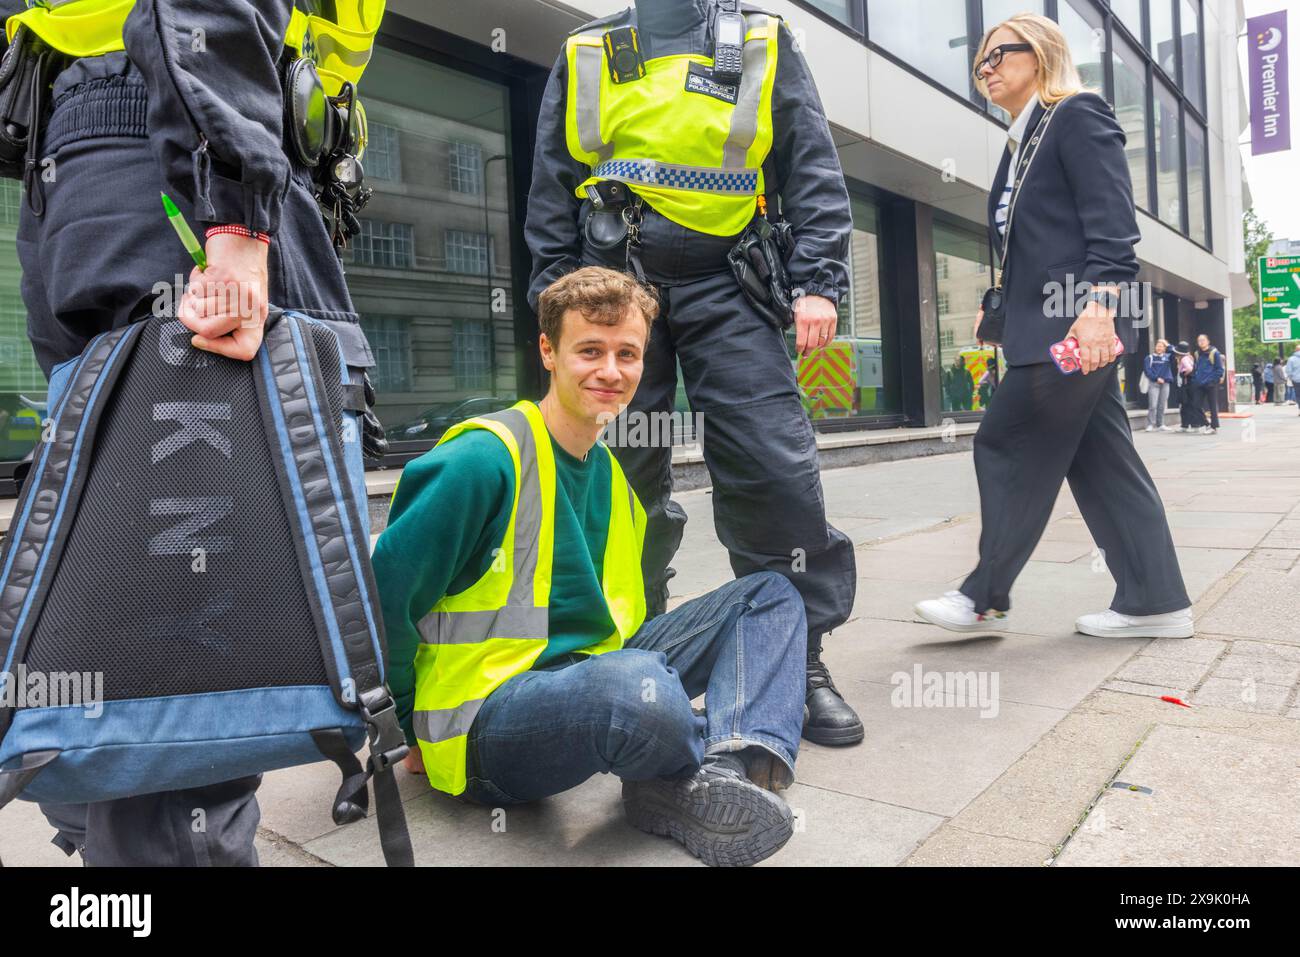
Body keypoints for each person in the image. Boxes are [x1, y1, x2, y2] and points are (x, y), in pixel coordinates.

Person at [9, 0, 380, 865]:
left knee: (144, 606)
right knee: (186, 633)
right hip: (177, 133)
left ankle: (112, 852)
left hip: (107, 147)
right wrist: (237, 211)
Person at [374, 267, 808, 867]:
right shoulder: (482, 460)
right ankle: (687, 761)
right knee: (633, 691)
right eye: (590, 351)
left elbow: (624, 620)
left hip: (595, 675)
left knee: (770, 595)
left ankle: (717, 769)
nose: (611, 371)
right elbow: (381, 600)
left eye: (627, 353)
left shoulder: (611, 478)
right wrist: (397, 729)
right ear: (548, 352)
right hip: (484, 719)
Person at [524, 0, 862, 745]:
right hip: (614, 285)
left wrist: (819, 283)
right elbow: (552, 184)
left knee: (774, 469)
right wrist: (553, 296)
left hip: (730, 284)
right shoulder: (587, 49)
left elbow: (811, 165)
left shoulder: (764, 39)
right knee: (616, 476)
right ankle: (631, 648)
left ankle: (796, 660)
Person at [913, 14, 1192, 640]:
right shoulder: (1023, 142)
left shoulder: (1078, 114)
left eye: (996, 57)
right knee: (1103, 464)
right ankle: (1156, 602)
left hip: (1070, 329)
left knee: (1006, 443)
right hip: (1043, 327)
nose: (984, 70)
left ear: (1038, 54)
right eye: (978, 63)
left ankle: (983, 596)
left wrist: (1098, 310)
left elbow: (1113, 226)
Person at [1190, 334, 1225, 433]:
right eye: (1199, 340)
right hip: (1199, 384)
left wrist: (1212, 381)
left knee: (1212, 406)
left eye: (1203, 340)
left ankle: (1214, 427)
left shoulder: (1214, 353)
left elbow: (1219, 369)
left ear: (1208, 341)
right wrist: (1195, 379)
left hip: (1210, 384)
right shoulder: (1197, 353)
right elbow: (1195, 368)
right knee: (1196, 405)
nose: (1201, 342)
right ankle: (1207, 424)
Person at [1143, 338, 1174, 431]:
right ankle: (1150, 424)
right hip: (1154, 383)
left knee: (1162, 404)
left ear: (1164, 348)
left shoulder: (1168, 357)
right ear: (1155, 347)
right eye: (1158, 346)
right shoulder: (1149, 358)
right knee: (1153, 404)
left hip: (1165, 383)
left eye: (1162, 346)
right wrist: (1156, 378)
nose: (1159, 348)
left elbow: (1174, 351)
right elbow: (1147, 371)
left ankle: (1160, 424)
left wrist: (1167, 344)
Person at [1174, 342, 1197, 431]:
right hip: (1189, 384)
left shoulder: (1184, 359)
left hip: (1186, 384)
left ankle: (1187, 425)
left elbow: (1189, 369)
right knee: (1189, 404)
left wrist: (1184, 374)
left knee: (1185, 405)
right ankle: (1192, 424)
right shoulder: (1190, 357)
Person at [1286, 346, 1300, 415]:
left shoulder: (1291, 359)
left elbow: (1288, 371)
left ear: (1295, 350)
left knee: (1298, 395)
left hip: (1296, 380)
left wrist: (1292, 378)